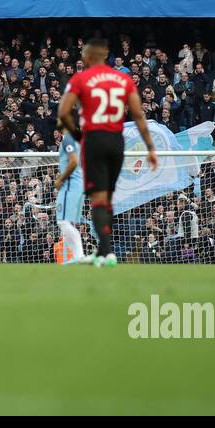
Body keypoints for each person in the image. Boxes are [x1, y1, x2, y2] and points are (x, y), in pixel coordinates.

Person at [57, 38, 158, 268]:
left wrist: (78, 135)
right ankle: (103, 252)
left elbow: (63, 111)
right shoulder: (123, 79)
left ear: (90, 57)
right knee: (107, 199)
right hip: (116, 141)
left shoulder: (81, 78)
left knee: (98, 200)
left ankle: (107, 253)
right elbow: (139, 115)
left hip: (95, 140)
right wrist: (150, 148)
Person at [52, 122, 88, 264]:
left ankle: (79, 256)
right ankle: (75, 257)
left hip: (71, 185)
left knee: (63, 222)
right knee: (68, 223)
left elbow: (73, 162)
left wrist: (61, 179)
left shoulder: (68, 139)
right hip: (76, 184)